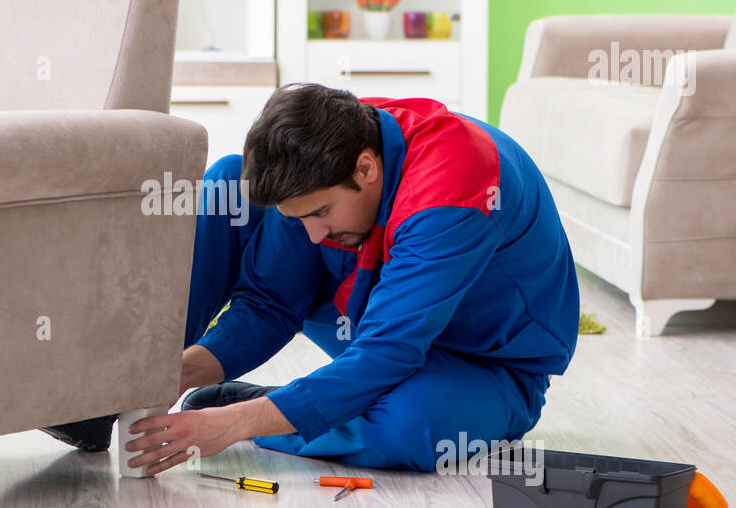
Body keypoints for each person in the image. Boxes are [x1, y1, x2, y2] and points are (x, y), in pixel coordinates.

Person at [48, 83, 580, 476]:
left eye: (321, 212)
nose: (312, 235)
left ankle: (275, 407)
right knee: (228, 184)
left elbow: (387, 354)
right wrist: (174, 372)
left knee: (407, 426)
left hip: (482, 363)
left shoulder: (453, 191)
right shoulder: (335, 147)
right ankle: (122, 387)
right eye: (300, 217)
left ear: (367, 168)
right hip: (372, 318)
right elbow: (272, 303)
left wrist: (231, 426)